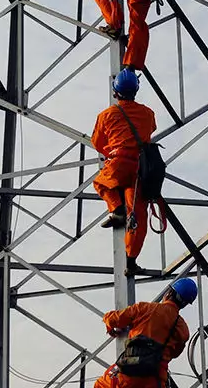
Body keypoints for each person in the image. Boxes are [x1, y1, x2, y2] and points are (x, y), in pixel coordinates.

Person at [92, 68, 157, 276]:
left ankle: (116, 209)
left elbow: (98, 143)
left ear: (115, 92)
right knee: (137, 217)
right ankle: (131, 261)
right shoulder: (147, 113)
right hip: (142, 169)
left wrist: (112, 151)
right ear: (136, 90)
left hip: (119, 162)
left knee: (102, 183)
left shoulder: (107, 115)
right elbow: (150, 130)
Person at [94, 278, 197, 388]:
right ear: (185, 304)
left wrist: (109, 326)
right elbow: (175, 353)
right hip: (156, 379)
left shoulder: (145, 308)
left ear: (170, 292)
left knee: (100, 385)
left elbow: (112, 319)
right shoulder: (183, 328)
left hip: (129, 373)